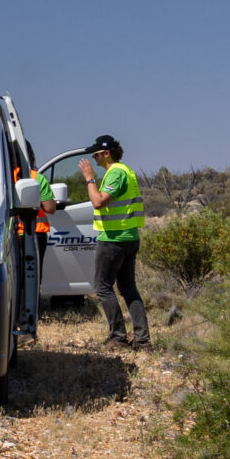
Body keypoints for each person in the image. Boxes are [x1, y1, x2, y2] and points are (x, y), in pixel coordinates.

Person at [76, 133, 148, 347]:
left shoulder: (116, 173)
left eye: (96, 155)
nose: (94, 161)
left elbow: (98, 202)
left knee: (103, 287)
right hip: (128, 236)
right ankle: (142, 340)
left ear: (106, 153)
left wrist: (89, 179)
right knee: (128, 288)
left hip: (114, 239)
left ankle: (118, 337)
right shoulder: (124, 171)